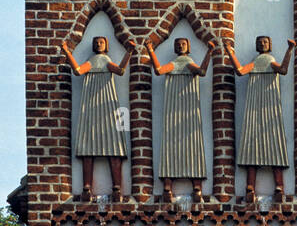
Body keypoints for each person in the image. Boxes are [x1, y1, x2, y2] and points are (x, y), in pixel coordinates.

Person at [62, 34, 133, 202]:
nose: (99, 44)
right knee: (88, 145)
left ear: (106, 44)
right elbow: (78, 70)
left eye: (102, 42)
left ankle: (116, 186)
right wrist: (67, 52)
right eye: (96, 42)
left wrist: (129, 52)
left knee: (114, 145)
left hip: (108, 104)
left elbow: (120, 70)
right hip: (91, 105)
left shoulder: (105, 60)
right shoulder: (93, 60)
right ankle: (87, 186)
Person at [146, 35, 215, 204]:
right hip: (173, 110)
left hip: (189, 110)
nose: (181, 46)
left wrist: (210, 52)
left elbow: (201, 71)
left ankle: (196, 184)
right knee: (170, 144)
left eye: (184, 43)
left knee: (192, 144)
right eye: (178, 44)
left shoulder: (188, 62)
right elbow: (159, 70)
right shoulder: (175, 63)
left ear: (188, 47)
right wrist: (150, 51)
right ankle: (168, 184)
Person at [226, 35, 296, 202]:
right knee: (252, 144)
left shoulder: (270, 60)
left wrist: (289, 50)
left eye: (265, 42)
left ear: (270, 44)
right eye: (260, 42)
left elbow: (283, 69)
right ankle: (250, 186)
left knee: (274, 143)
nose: (263, 44)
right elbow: (241, 70)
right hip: (254, 105)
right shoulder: (256, 61)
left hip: (270, 105)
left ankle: (279, 185)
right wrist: (229, 52)